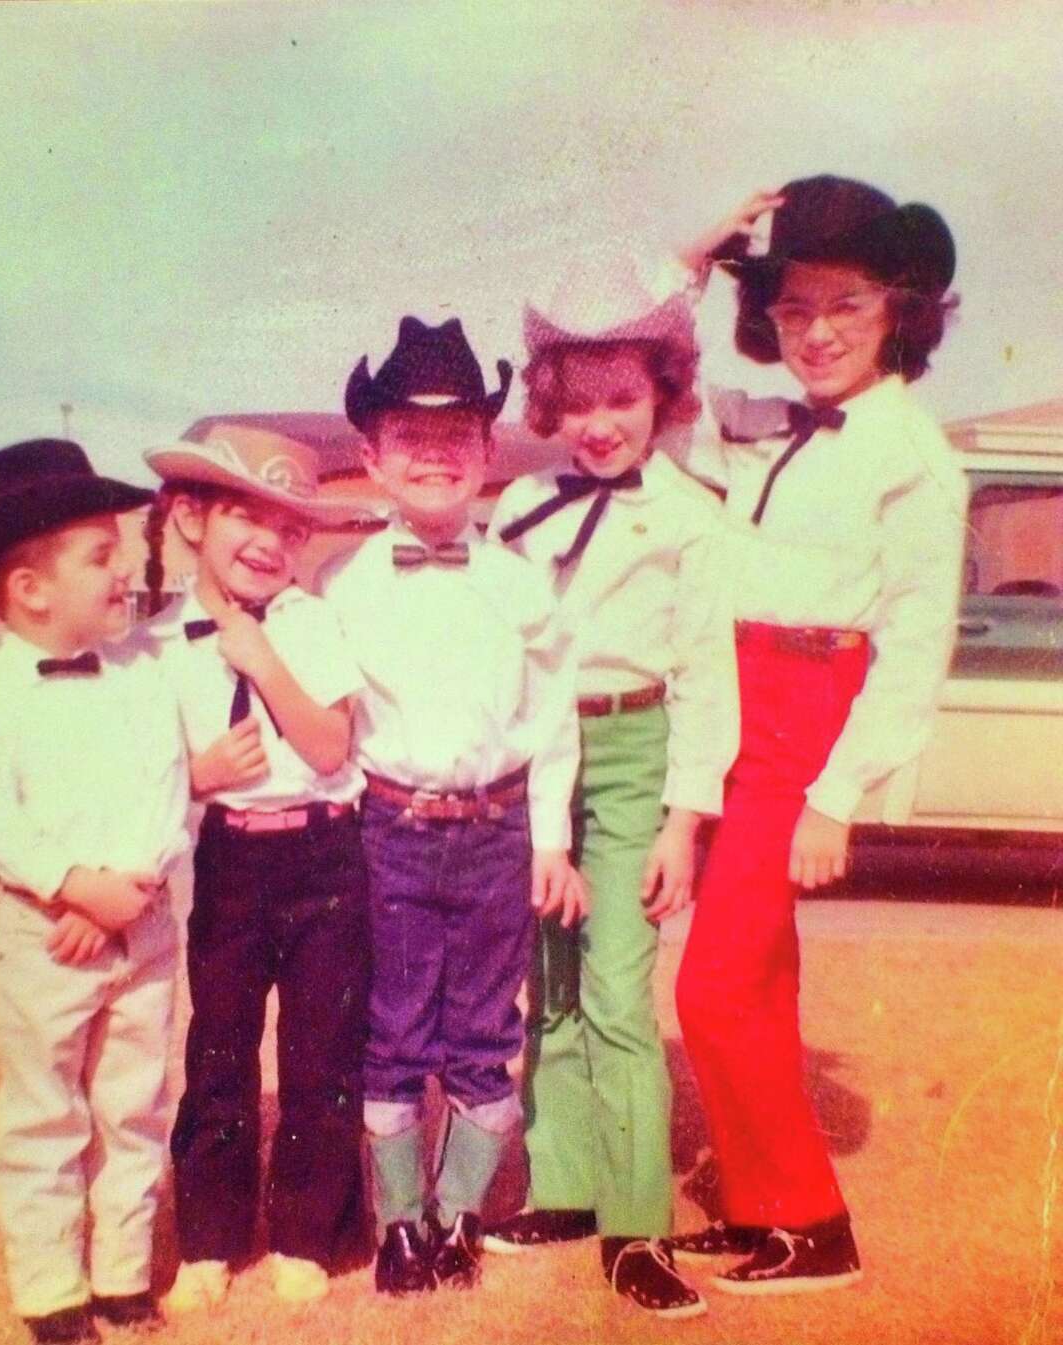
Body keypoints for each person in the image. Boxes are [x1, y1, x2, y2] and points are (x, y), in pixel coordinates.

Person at [670, 176, 966, 1293]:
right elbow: (659, 369)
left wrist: (834, 795)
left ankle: (812, 1221)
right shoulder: (763, 430)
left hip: (808, 723)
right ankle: (758, 1213)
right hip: (737, 707)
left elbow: (913, 643)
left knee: (710, 987)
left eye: (844, 303)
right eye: (793, 310)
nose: (818, 332)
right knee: (756, 985)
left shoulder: (915, 458)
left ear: (898, 308)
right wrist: (698, 250)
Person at [482, 254, 738, 1318]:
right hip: (538, 762)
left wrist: (683, 823)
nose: (598, 424)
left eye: (622, 398)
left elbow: (706, 677)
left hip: (634, 755)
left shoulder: (691, 513)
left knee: (620, 990)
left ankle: (637, 1229)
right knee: (551, 986)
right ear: (548, 405)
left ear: (662, 395)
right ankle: (566, 1185)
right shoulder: (522, 507)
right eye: (577, 402)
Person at [320, 315, 583, 1295]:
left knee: (482, 1030)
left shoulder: (521, 585)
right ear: (374, 459)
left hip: (495, 832)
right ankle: (398, 1223)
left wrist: (550, 839)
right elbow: (332, 730)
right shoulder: (348, 590)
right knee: (391, 1028)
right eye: (410, 442)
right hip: (387, 828)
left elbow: (554, 721)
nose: (434, 458)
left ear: (489, 453)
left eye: (456, 440)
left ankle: (457, 1215)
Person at [0, 439, 190, 1344]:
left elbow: (167, 786)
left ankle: (121, 1276)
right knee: (47, 1113)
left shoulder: (140, 677)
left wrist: (132, 883)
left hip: (143, 925)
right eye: (102, 554)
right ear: (29, 588)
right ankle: (51, 1291)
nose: (126, 568)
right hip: (45, 937)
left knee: (134, 1104)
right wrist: (75, 891)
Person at [140, 421, 374, 1314]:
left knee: (321, 1049)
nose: (270, 543)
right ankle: (208, 1239)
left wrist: (263, 660)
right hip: (231, 855)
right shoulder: (158, 642)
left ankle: (309, 1232)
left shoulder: (314, 625)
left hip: (324, 853)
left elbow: (327, 744)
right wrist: (200, 775)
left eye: (290, 527)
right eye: (247, 515)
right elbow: (153, 773)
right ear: (192, 518)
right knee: (221, 1049)